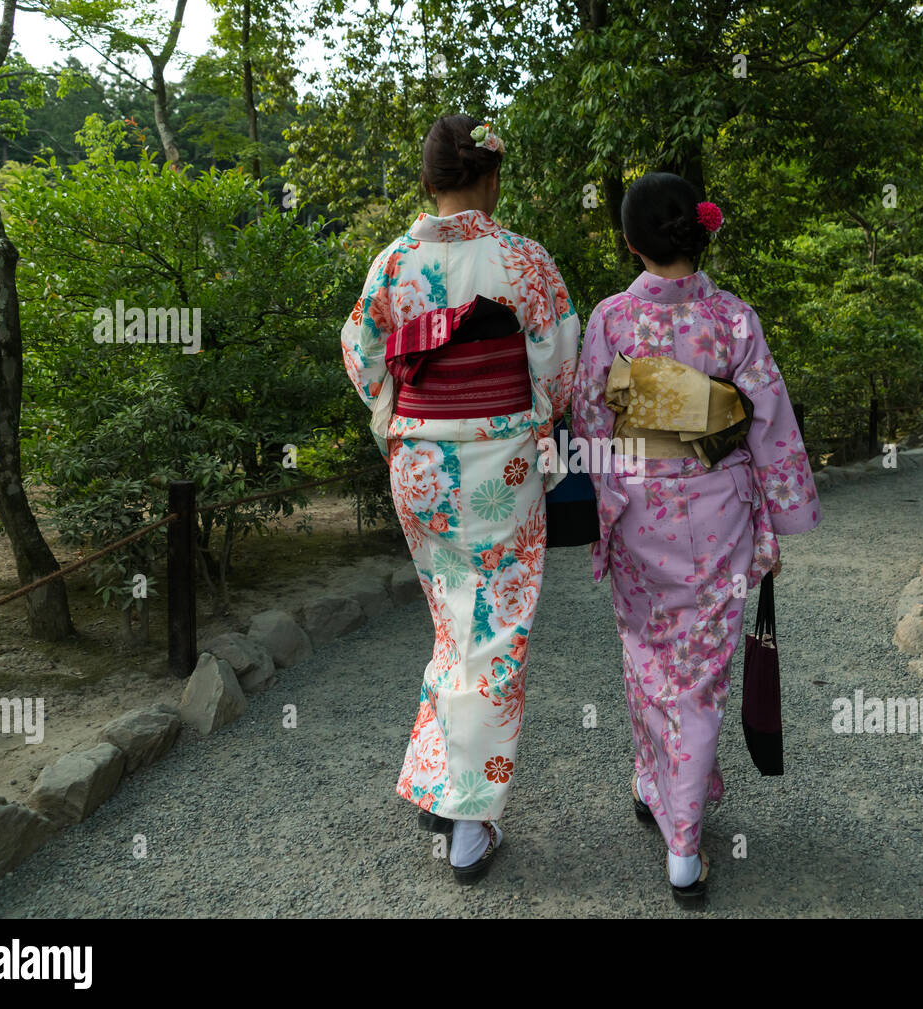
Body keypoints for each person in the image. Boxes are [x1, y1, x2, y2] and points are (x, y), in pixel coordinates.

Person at [340, 115, 579, 884]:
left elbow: (362, 354)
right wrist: (536, 421)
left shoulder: (391, 263)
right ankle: (469, 824)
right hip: (497, 460)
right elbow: (559, 363)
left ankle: (438, 781)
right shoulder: (522, 260)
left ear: (428, 180)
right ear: (489, 176)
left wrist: (400, 424)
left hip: (419, 464)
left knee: (455, 621)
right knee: (495, 632)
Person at [571, 172, 819, 907]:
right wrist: (785, 509)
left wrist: (606, 496)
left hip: (640, 508)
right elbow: (768, 419)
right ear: (699, 234)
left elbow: (590, 418)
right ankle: (679, 828)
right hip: (719, 513)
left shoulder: (611, 320)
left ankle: (668, 805)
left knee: (650, 658)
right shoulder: (732, 317)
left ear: (629, 242)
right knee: (701, 672)